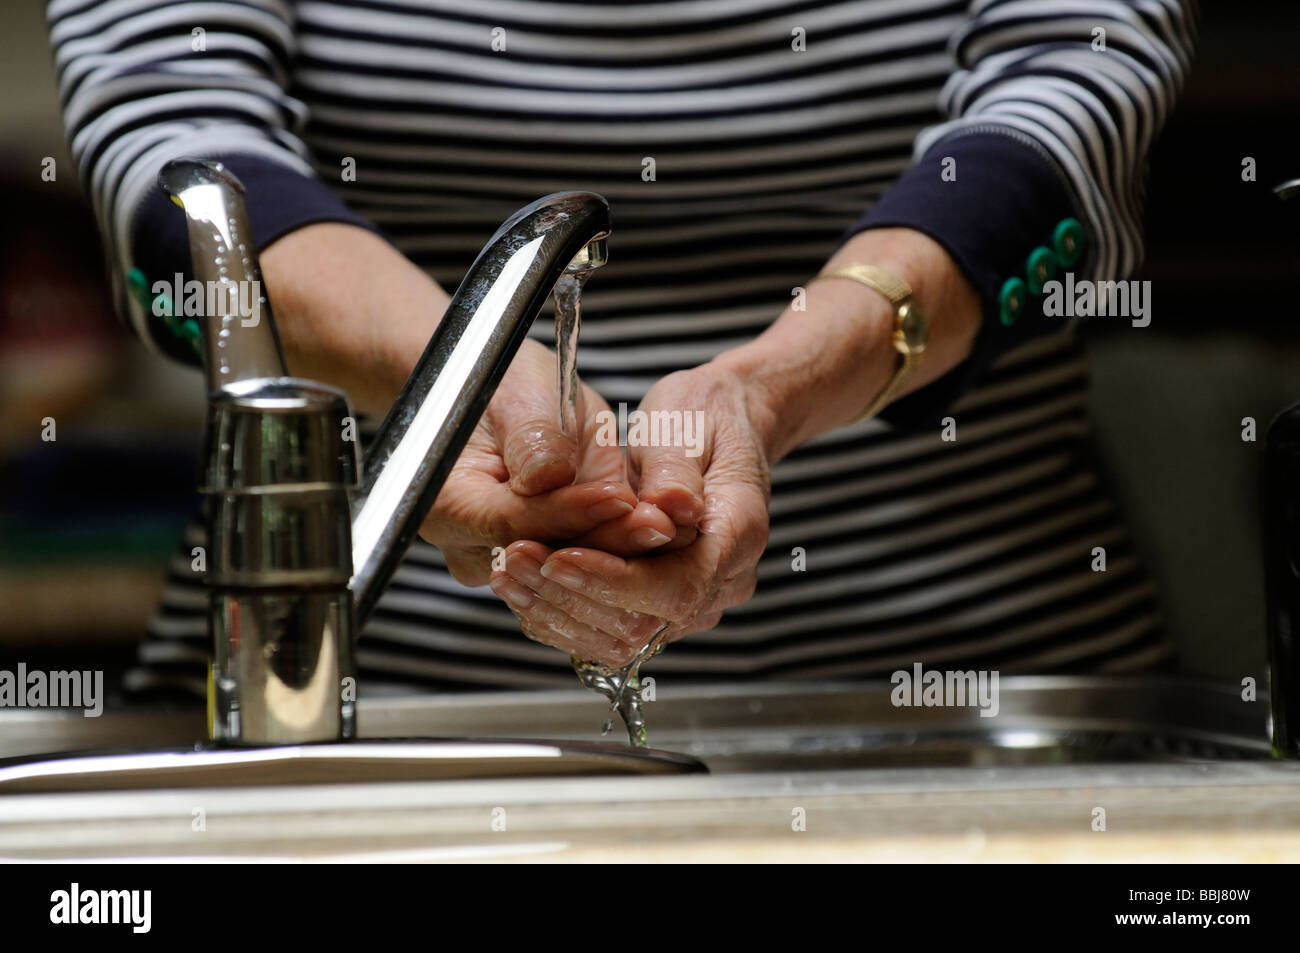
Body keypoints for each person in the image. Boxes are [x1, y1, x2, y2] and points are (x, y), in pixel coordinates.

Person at [46, 0, 1196, 696]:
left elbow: (1062, 99)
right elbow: (185, 159)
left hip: (966, 684)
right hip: (382, 694)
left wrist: (776, 387)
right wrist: (459, 377)